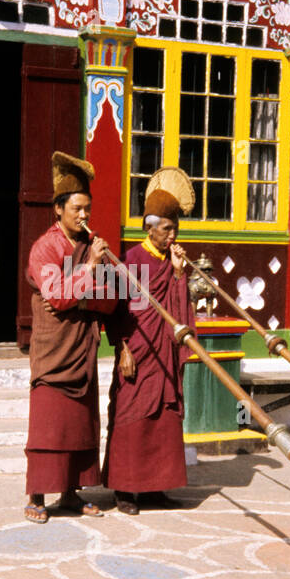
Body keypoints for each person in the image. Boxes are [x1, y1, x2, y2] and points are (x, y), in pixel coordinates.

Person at [23, 151, 118, 524]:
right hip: (53, 351)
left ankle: (71, 493)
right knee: (48, 426)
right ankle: (36, 495)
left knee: (80, 427)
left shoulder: (92, 245)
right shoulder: (44, 248)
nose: (84, 216)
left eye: (87, 209)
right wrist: (88, 272)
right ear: (58, 209)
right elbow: (58, 297)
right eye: (77, 208)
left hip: (82, 349)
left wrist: (80, 293)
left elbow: (110, 300)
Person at [103, 167, 196, 516]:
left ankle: (156, 486)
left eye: (175, 229)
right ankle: (125, 489)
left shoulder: (171, 261)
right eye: (166, 229)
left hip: (164, 353)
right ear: (150, 227)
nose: (172, 236)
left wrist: (177, 272)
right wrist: (122, 347)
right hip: (137, 349)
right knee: (132, 417)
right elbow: (116, 309)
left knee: (164, 418)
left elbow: (178, 308)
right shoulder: (130, 260)